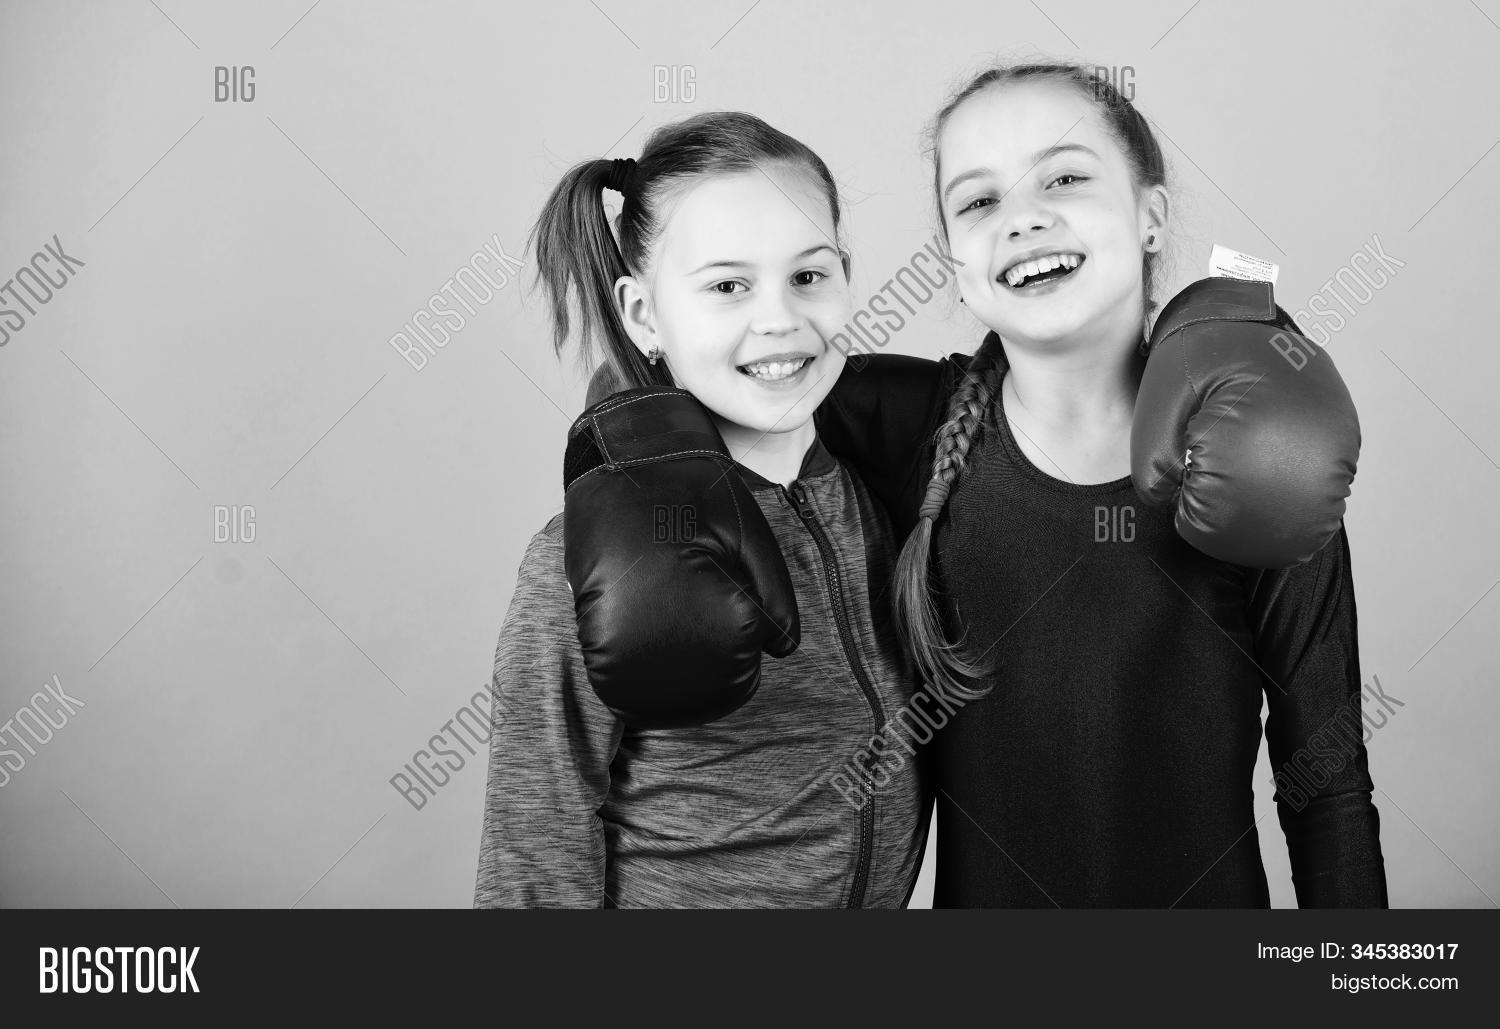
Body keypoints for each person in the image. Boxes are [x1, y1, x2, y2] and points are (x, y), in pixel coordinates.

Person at [568, 63, 1387, 907]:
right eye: (979, 201)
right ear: (954, 264)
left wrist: (1259, 322)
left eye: (1065, 178)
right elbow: (711, 372)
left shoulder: (1254, 462)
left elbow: (1327, 788)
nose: (1025, 218)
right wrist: (628, 477)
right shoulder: (900, 426)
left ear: (1151, 215)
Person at [474, 111, 928, 908]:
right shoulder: (579, 559)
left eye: (810, 276)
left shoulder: (879, 498)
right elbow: (532, 856)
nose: (780, 318)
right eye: (728, 285)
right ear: (644, 315)